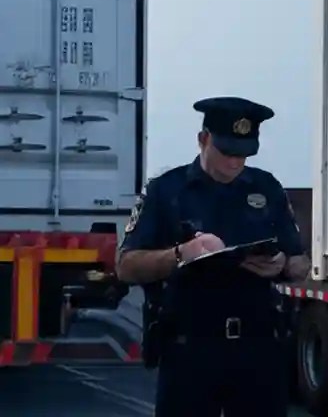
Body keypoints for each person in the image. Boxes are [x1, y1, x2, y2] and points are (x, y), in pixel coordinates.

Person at [116, 96, 309, 417]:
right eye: (227, 152)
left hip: (258, 348)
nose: (235, 162)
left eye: (244, 154)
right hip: (190, 349)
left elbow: (300, 262)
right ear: (203, 139)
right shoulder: (166, 191)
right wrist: (181, 254)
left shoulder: (266, 187)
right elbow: (125, 266)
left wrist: (282, 266)